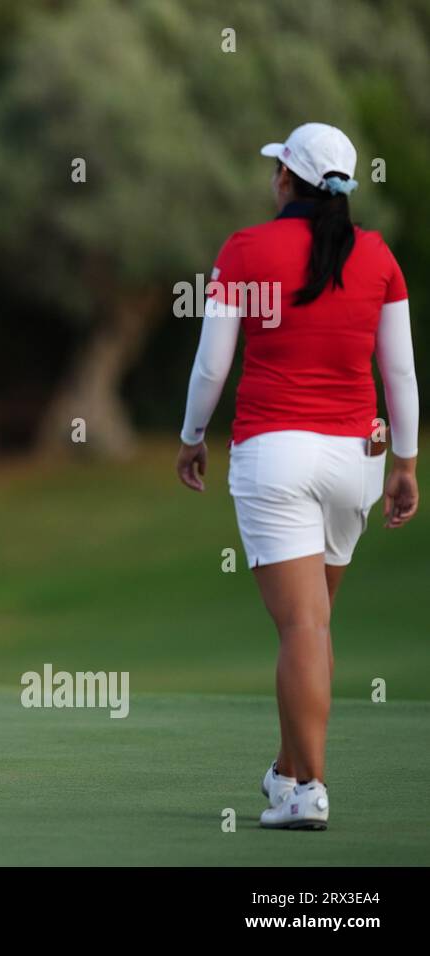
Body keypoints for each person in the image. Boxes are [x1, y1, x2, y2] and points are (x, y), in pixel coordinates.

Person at [177, 123, 418, 828]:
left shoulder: (247, 249)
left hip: (274, 455)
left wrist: (192, 436)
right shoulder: (378, 256)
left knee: (304, 626)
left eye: (278, 166)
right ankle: (287, 771)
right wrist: (406, 461)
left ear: (287, 179)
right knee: (313, 625)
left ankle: (311, 789)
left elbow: (212, 366)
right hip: (358, 463)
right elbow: (398, 371)